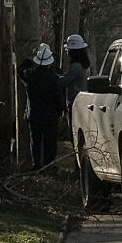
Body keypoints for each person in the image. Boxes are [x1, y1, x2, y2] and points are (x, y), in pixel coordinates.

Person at [18, 42, 64, 171]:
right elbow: (58, 97)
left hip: (34, 113)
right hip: (50, 114)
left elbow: (20, 70)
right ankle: (49, 165)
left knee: (35, 140)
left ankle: (36, 164)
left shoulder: (30, 76)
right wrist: (61, 111)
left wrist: (29, 59)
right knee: (50, 141)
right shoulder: (54, 78)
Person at [61, 33, 91, 110]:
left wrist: (55, 78)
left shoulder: (76, 67)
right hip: (83, 99)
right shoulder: (84, 65)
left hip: (76, 101)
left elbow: (64, 81)